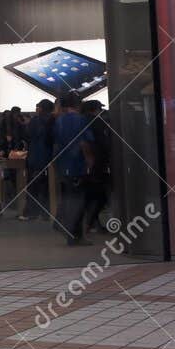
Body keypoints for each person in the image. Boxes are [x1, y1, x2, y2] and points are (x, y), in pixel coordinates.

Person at [52, 97, 90, 244]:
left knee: (68, 197)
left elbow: (56, 143)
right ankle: (73, 234)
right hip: (77, 164)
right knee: (78, 200)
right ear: (77, 105)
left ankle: (64, 227)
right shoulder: (80, 120)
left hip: (63, 164)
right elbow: (84, 142)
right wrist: (89, 160)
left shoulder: (59, 121)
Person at [81, 99, 113, 234]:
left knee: (89, 193)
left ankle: (92, 223)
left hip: (82, 164)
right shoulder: (98, 122)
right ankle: (91, 222)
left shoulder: (80, 121)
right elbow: (103, 143)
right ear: (95, 109)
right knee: (100, 194)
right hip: (97, 162)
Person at [22, 99, 55, 221]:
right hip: (49, 157)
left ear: (41, 108)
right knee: (47, 187)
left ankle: (31, 212)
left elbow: (28, 135)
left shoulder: (35, 121)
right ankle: (48, 212)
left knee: (33, 187)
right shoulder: (54, 120)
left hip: (34, 158)